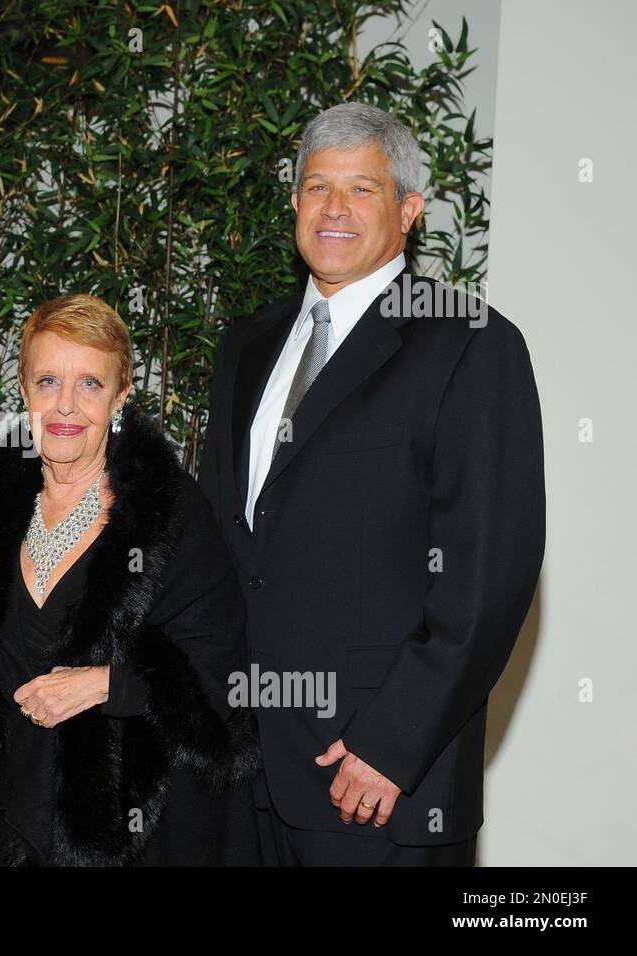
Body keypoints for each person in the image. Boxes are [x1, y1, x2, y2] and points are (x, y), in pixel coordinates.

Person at [197, 102, 545, 865]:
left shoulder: (471, 344)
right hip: (242, 774)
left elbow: (488, 578)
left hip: (375, 786)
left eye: (362, 190)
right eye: (317, 187)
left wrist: (392, 745)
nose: (334, 209)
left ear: (410, 211)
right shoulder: (247, 346)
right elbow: (225, 550)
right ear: (294, 204)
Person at [0, 294, 261, 866]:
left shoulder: (169, 513)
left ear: (121, 395)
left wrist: (109, 685)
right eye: (47, 380)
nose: (66, 405)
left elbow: (224, 680)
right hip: (3, 824)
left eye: (90, 383)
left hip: (131, 833)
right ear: (22, 388)